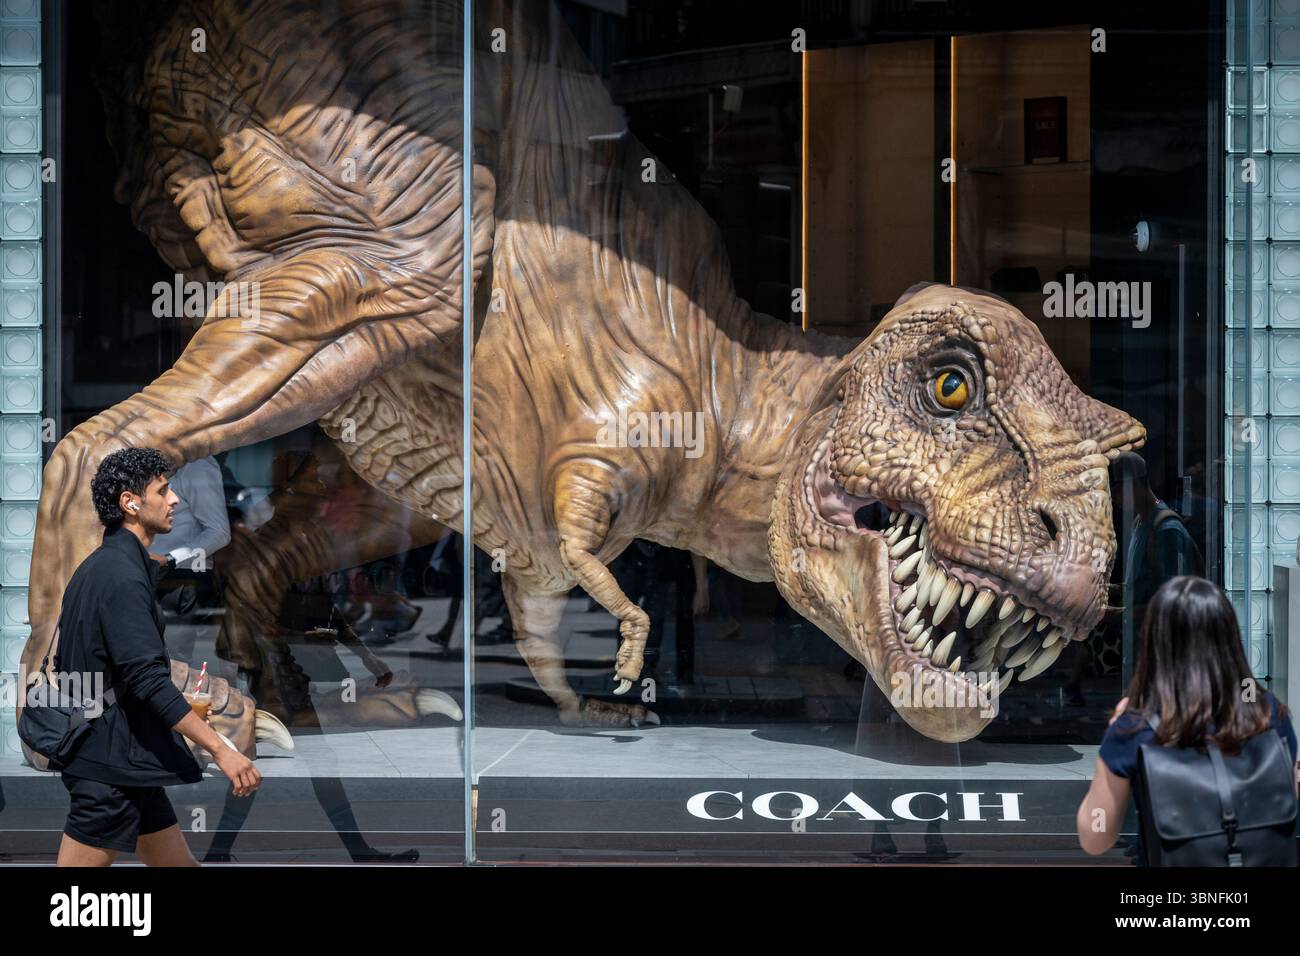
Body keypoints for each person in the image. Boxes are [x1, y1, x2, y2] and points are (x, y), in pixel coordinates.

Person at [54, 447, 261, 866]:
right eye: (163, 490)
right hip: (109, 771)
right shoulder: (121, 578)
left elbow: (111, 670)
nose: (175, 500)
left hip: (128, 756)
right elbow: (146, 680)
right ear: (130, 503)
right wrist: (222, 750)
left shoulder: (104, 566)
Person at [1076, 575, 1298, 863]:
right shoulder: (1270, 715)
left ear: (1155, 643)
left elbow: (1096, 836)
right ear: (1230, 637)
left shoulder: (1135, 727)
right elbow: (1288, 802)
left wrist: (1110, 744)